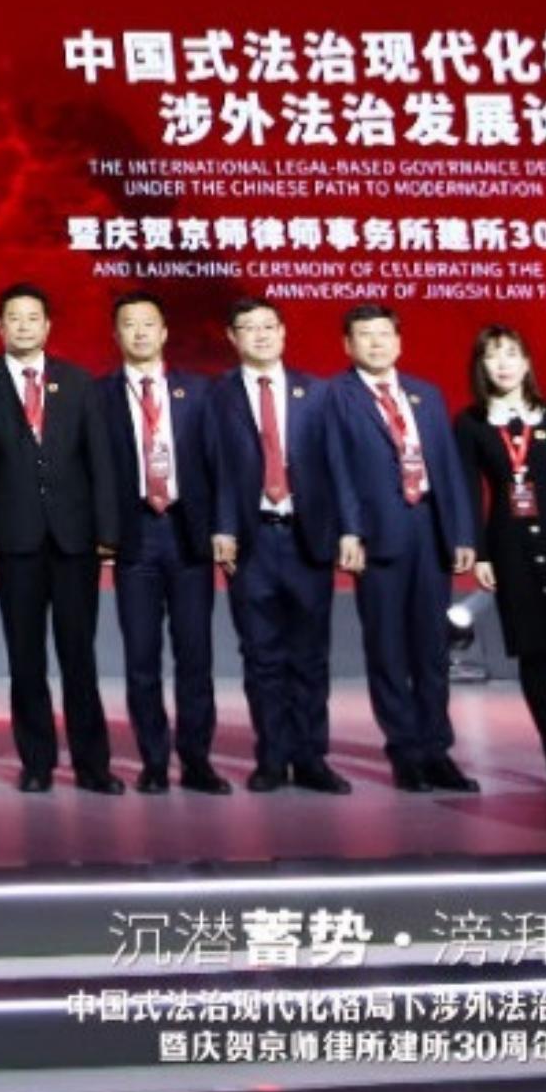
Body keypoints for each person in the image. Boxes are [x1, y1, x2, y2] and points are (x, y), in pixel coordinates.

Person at [0, 282, 122, 794]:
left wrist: (107, 531)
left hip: (75, 540)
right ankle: (36, 763)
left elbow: (100, 461)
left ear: (48, 326)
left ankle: (93, 764)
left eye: (33, 317)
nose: (25, 326)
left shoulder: (78, 382)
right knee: (25, 657)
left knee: (79, 656)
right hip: (15, 540)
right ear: (0, 327)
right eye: (15, 318)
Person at [321, 303, 480, 793]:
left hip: (428, 528)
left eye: (384, 334)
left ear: (399, 341)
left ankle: (437, 749)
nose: (376, 343)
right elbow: (336, 468)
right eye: (365, 335)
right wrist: (349, 531)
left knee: (432, 648)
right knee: (388, 648)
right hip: (377, 535)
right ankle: (405, 751)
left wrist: (461, 533)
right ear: (348, 345)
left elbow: (448, 467)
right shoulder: (336, 396)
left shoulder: (425, 394)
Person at [202, 295, 352, 793]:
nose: (261, 335)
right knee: (261, 656)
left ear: (283, 333)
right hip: (252, 542)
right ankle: (271, 757)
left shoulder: (318, 392)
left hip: (308, 538)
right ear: (232, 337)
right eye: (249, 327)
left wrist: (349, 530)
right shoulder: (216, 395)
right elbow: (215, 468)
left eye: (269, 326)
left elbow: (338, 466)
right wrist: (222, 527)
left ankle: (312, 758)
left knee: (310, 657)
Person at [94, 291, 229, 795]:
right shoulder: (99, 395)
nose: (140, 333)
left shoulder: (200, 391)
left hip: (187, 532)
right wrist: (103, 534)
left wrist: (222, 526)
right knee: (141, 658)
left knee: (195, 656)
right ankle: (153, 760)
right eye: (129, 325)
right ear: (116, 335)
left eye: (148, 324)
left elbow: (220, 464)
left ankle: (197, 761)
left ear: (164, 331)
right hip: (135, 536)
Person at [453, 324, 546, 749]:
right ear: (481, 366)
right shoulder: (471, 423)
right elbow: (469, 493)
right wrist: (481, 554)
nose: (503, 364)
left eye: (511, 354)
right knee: (534, 651)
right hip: (510, 548)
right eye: (492, 356)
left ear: (526, 363)